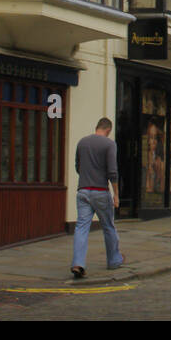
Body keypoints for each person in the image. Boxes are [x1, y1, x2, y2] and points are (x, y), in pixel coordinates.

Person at [71, 117, 124, 278]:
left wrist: (87, 178)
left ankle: (78, 263)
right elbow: (112, 172)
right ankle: (114, 260)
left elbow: (77, 166)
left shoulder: (82, 142)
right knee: (108, 226)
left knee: (81, 228)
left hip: (83, 191)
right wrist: (116, 195)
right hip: (100, 191)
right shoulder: (109, 144)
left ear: (97, 127)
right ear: (108, 130)